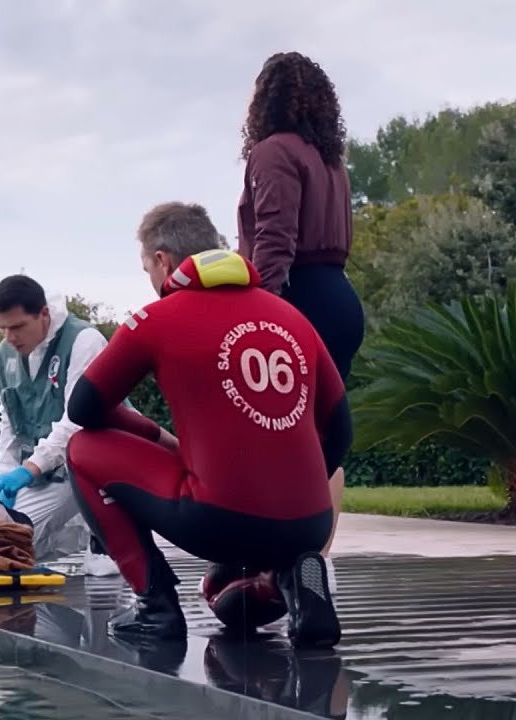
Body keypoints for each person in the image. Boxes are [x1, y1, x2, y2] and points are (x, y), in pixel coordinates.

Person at [62, 202, 352, 650]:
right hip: (309, 525)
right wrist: (299, 490)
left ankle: (155, 607)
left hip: (221, 518)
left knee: (82, 449)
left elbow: (85, 408)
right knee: (226, 594)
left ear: (162, 260)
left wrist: (155, 435)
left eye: (146, 269)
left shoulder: (156, 318)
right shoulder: (291, 317)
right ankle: (291, 573)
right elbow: (341, 428)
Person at [236, 51, 365, 580]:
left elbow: (274, 239)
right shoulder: (331, 159)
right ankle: (317, 564)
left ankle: (285, 562)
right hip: (338, 295)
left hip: (297, 298)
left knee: (281, 437)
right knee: (324, 441)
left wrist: (255, 308)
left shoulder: (272, 152)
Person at [0, 274, 122, 576]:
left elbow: (78, 421)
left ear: (44, 314)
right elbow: (8, 421)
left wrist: (30, 469)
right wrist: (7, 477)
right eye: (3, 328)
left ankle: (106, 533)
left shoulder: (84, 341)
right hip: (49, 473)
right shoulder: (6, 353)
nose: (10, 337)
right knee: (1, 545)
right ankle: (83, 534)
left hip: (94, 465)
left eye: (18, 327)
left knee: (11, 546)